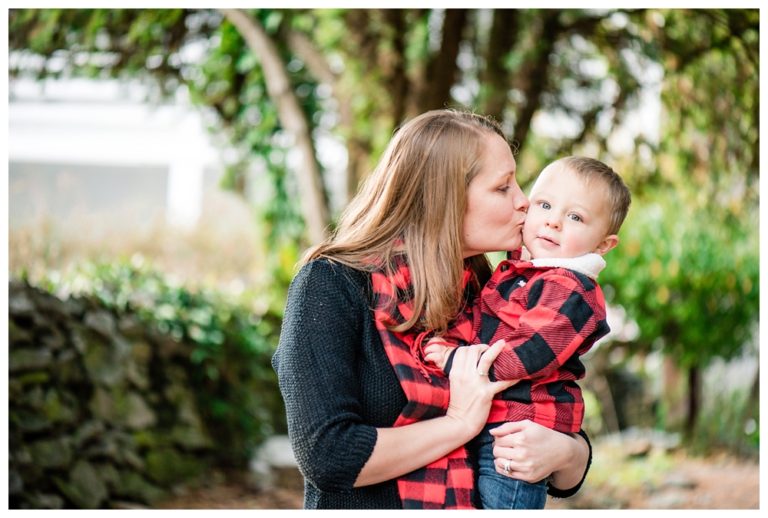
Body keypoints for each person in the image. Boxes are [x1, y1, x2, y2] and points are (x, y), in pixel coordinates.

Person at [271, 109, 593, 509]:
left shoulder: (489, 289)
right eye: (502, 187)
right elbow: (329, 456)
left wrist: (563, 452)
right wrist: (458, 423)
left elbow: (553, 414)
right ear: (445, 198)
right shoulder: (331, 284)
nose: (524, 202)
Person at [423, 155, 631, 509]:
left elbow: (530, 352)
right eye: (545, 204)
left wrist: (456, 358)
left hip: (516, 435)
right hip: (492, 423)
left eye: (575, 217)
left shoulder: (570, 289)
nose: (553, 221)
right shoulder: (524, 270)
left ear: (603, 245)